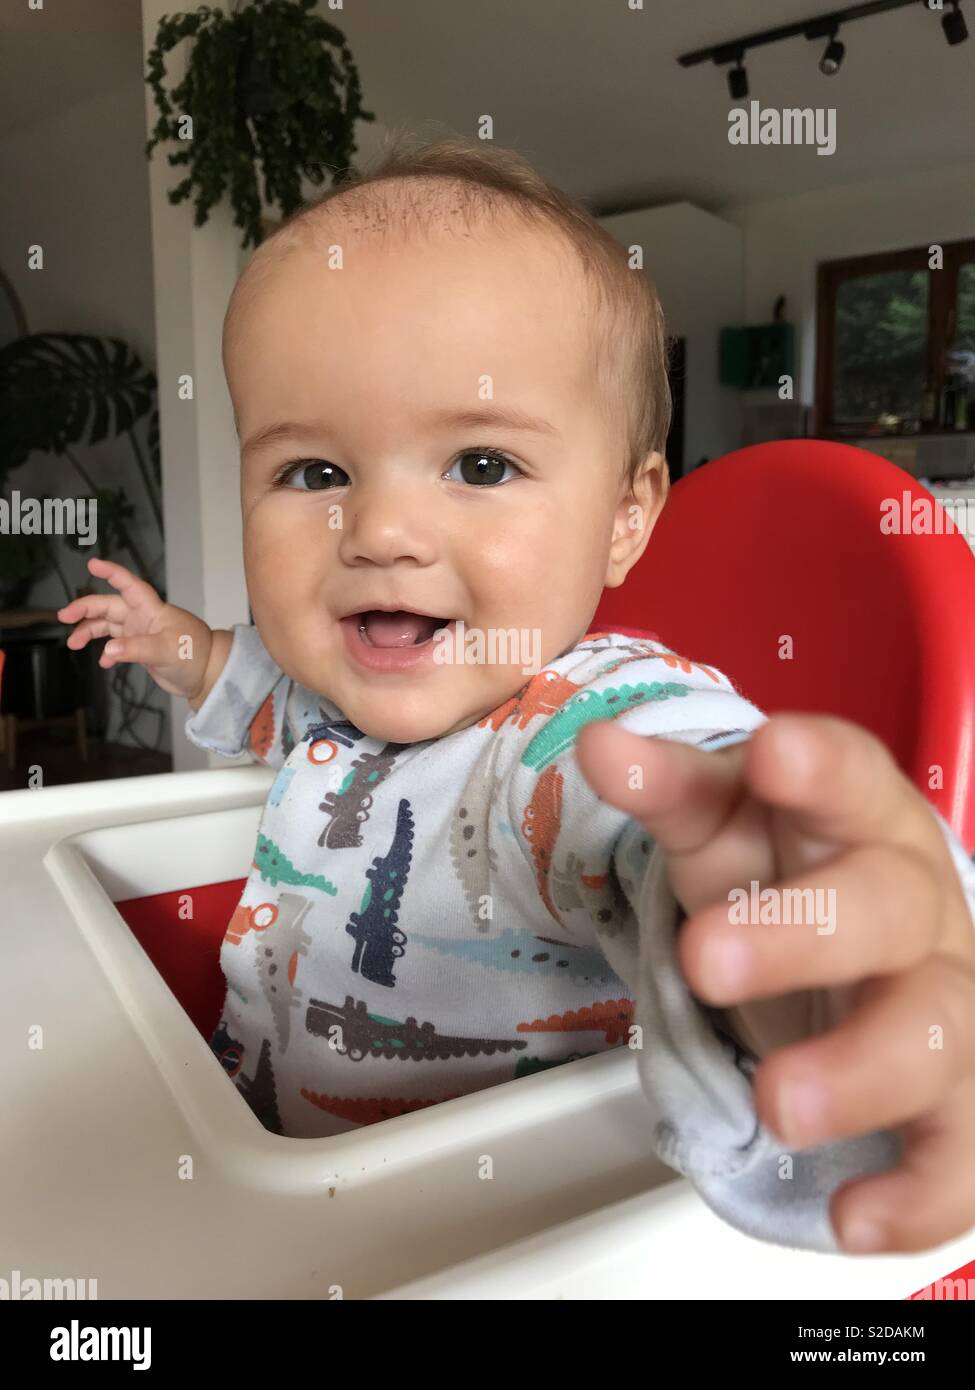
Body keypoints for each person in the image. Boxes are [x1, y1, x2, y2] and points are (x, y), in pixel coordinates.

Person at [58, 133, 975, 1256]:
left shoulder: (574, 734)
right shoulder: (341, 707)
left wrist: (781, 908)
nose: (381, 532)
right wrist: (184, 644)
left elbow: (669, 798)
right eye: (315, 472)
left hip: (460, 1245)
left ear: (627, 515)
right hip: (270, 1187)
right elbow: (260, 690)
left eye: (481, 464)